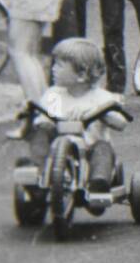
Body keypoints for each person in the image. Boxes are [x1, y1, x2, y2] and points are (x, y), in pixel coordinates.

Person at [21, 38, 129, 199]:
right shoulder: (54, 95)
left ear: (81, 74)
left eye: (59, 65)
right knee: (41, 132)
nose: (53, 69)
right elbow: (42, 121)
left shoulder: (100, 97)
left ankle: (98, 183)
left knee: (103, 148)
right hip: (56, 154)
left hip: (89, 150)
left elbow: (121, 123)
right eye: (54, 64)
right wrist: (32, 114)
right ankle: (36, 171)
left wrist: (102, 113)